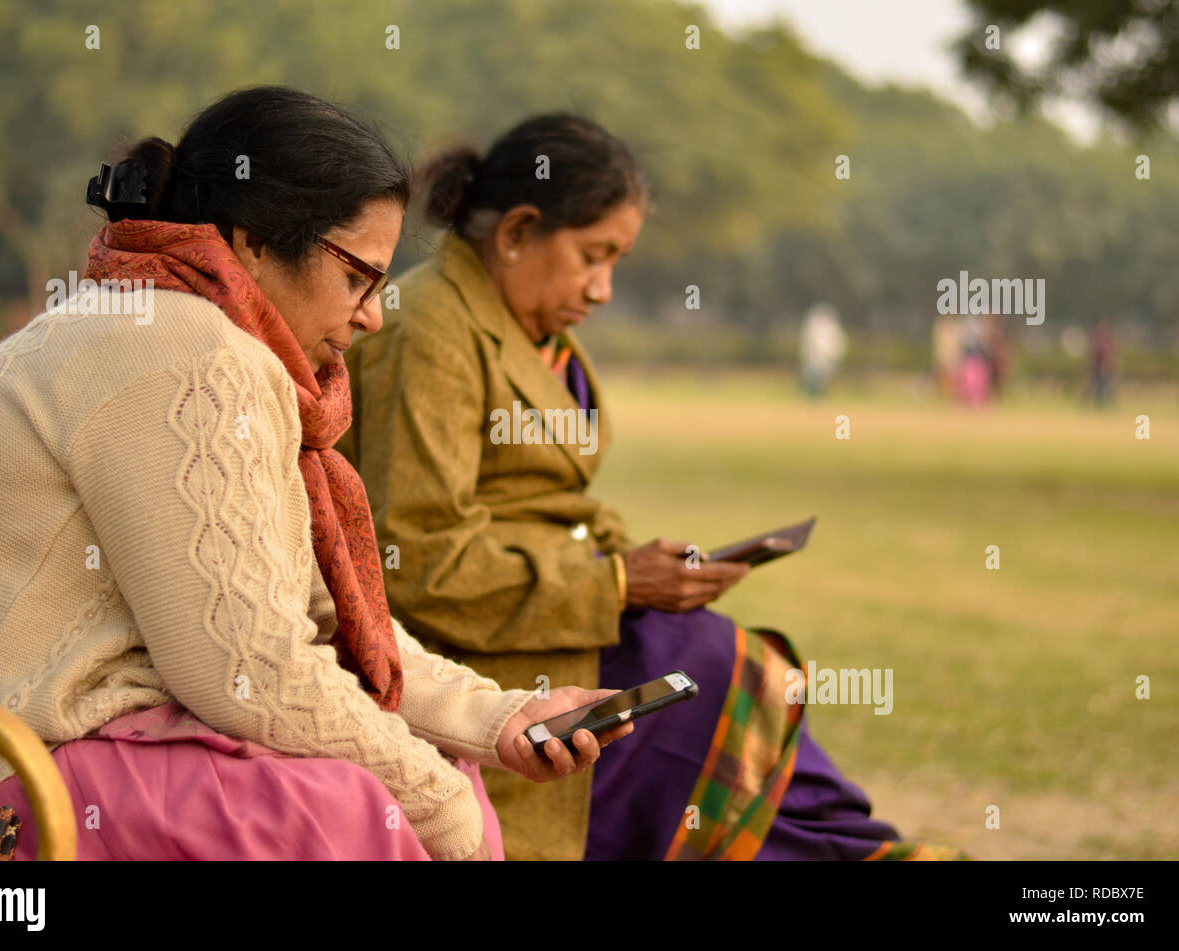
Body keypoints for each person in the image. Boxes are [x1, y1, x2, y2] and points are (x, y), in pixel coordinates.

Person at [0, 87, 632, 862]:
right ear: (251, 243)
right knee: (338, 810)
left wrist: (499, 719)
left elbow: (328, 630)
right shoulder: (189, 351)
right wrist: (451, 819)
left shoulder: (183, 325)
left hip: (33, 739)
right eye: (359, 278)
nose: (375, 315)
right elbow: (249, 669)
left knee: (422, 783)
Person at [341, 114, 967, 861]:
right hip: (482, 648)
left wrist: (642, 564)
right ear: (517, 232)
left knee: (742, 680)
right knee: (720, 674)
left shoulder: (531, 328)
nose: (602, 289)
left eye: (616, 262)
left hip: (564, 619)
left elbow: (550, 501)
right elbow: (418, 562)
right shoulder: (430, 331)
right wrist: (614, 582)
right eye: (592, 257)